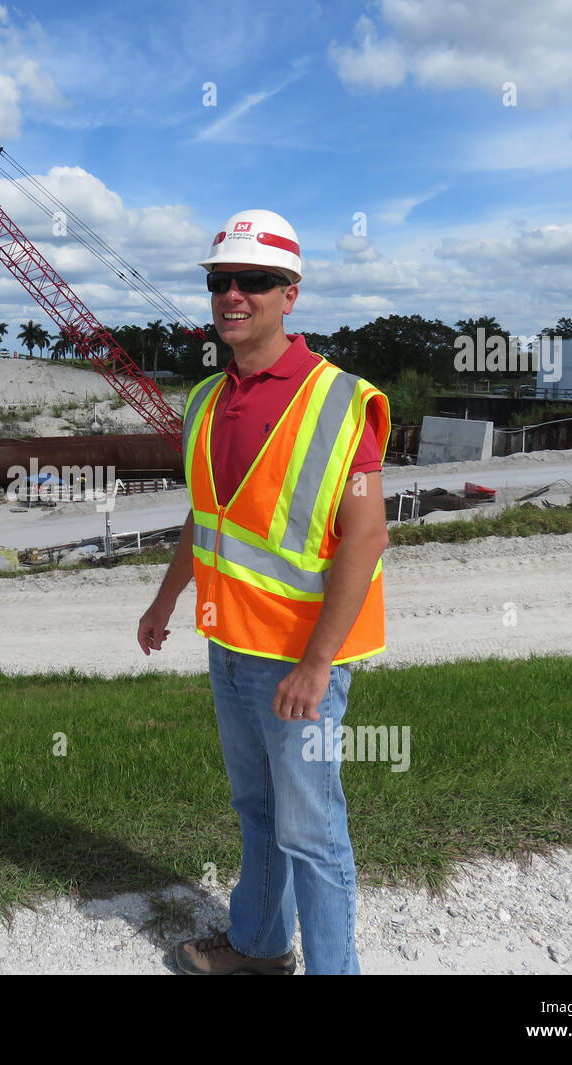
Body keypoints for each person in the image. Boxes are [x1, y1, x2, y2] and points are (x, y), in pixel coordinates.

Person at [137, 209, 391, 976]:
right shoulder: (206, 399)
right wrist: (165, 600)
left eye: (254, 280)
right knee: (257, 813)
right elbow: (208, 514)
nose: (233, 295)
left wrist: (316, 664)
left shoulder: (338, 400)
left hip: (300, 661)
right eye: (221, 281)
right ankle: (258, 947)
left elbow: (366, 537)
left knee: (312, 833)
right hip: (229, 647)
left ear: (290, 294)